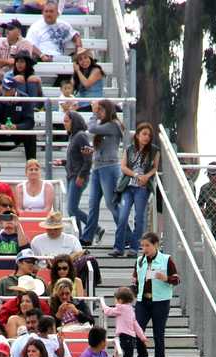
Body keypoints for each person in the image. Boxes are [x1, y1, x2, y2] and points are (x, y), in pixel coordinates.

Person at [132, 232, 177, 357]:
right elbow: (135, 281)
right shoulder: (139, 261)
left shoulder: (166, 259)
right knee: (139, 332)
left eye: (148, 245)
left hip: (161, 301)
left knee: (159, 334)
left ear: (156, 245)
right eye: (143, 246)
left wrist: (166, 278)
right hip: (142, 301)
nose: (145, 249)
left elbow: (176, 279)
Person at [113, 123, 159, 257]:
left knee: (139, 218)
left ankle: (134, 247)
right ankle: (119, 247)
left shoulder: (154, 151)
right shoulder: (129, 149)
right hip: (128, 187)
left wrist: (146, 176)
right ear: (137, 135)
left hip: (142, 189)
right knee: (123, 216)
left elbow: (155, 168)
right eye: (144, 134)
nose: (146, 137)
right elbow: (123, 167)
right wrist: (136, 175)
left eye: (149, 135)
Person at [80, 99, 122, 246]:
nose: (98, 113)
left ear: (109, 110)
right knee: (93, 204)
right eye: (98, 110)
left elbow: (91, 128)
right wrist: (92, 151)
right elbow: (104, 146)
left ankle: (126, 236)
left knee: (112, 204)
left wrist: (93, 113)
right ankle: (87, 237)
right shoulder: (105, 125)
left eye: (101, 110)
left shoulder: (113, 125)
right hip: (98, 167)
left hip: (109, 168)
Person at [0, 73, 36, 161]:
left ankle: (31, 163)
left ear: (14, 89)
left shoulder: (24, 98)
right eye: (3, 88)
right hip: (1, 131)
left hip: (18, 132)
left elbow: (29, 121)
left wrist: (17, 127)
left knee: (31, 134)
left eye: (6, 89)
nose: (4, 91)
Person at [59, 111, 92, 235]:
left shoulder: (80, 136)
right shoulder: (73, 136)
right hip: (72, 175)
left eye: (67, 121)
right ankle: (80, 236)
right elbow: (75, 158)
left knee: (72, 208)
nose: (64, 123)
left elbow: (88, 159)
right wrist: (63, 162)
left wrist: (82, 175)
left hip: (78, 176)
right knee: (73, 209)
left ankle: (95, 228)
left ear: (74, 121)